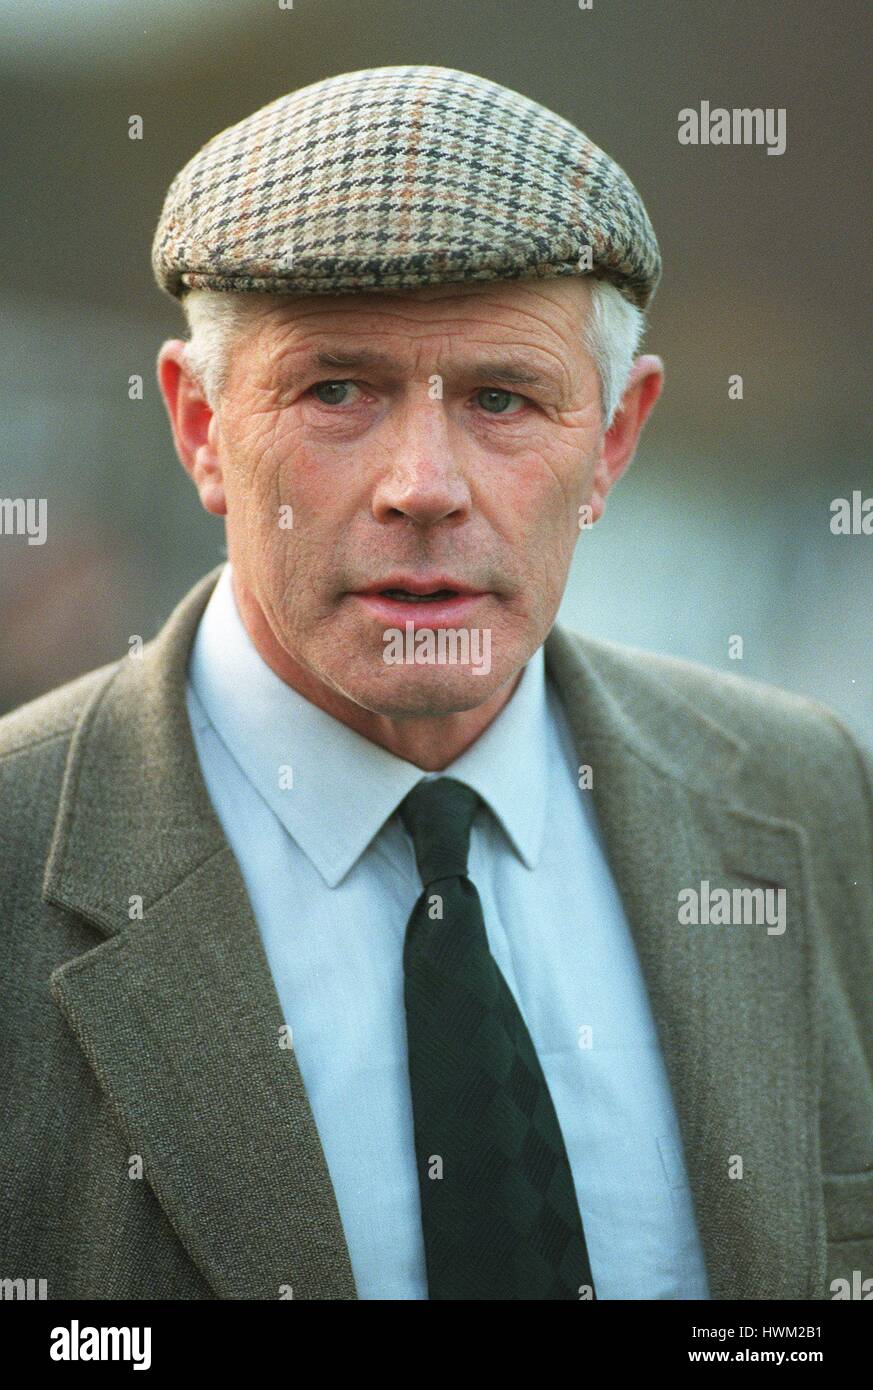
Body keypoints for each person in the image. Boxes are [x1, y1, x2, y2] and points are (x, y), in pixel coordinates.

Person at [1, 66, 871, 1302]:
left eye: (502, 398)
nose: (424, 483)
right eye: (337, 391)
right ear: (200, 426)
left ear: (615, 437)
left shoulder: (809, 797)